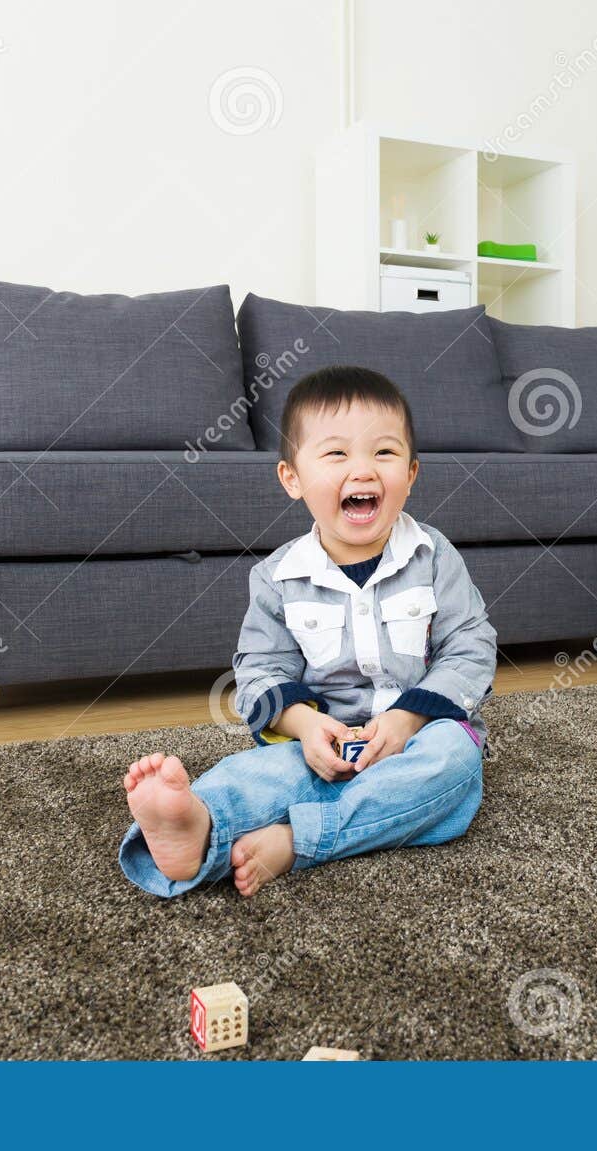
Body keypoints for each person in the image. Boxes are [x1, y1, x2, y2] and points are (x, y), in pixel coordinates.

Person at [119, 365, 496, 897]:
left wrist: (409, 719)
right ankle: (196, 824)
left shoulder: (434, 556)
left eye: (384, 453)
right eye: (337, 454)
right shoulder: (276, 578)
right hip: (323, 748)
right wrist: (303, 726)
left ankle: (297, 840)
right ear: (292, 478)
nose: (362, 470)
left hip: (419, 740)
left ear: (411, 475)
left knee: (454, 771)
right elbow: (259, 670)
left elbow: (471, 646)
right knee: (256, 773)